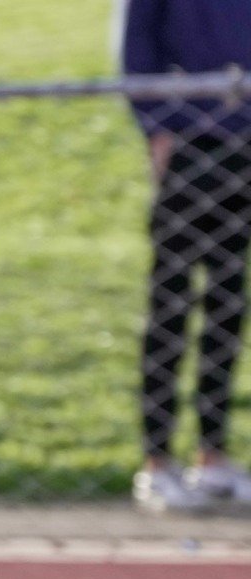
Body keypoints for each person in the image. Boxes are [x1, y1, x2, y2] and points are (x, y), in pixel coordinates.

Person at [121, 0, 251, 512]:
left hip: (244, 142)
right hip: (190, 143)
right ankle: (157, 462)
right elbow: (138, 50)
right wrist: (159, 127)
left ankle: (212, 457)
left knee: (228, 301)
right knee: (171, 303)